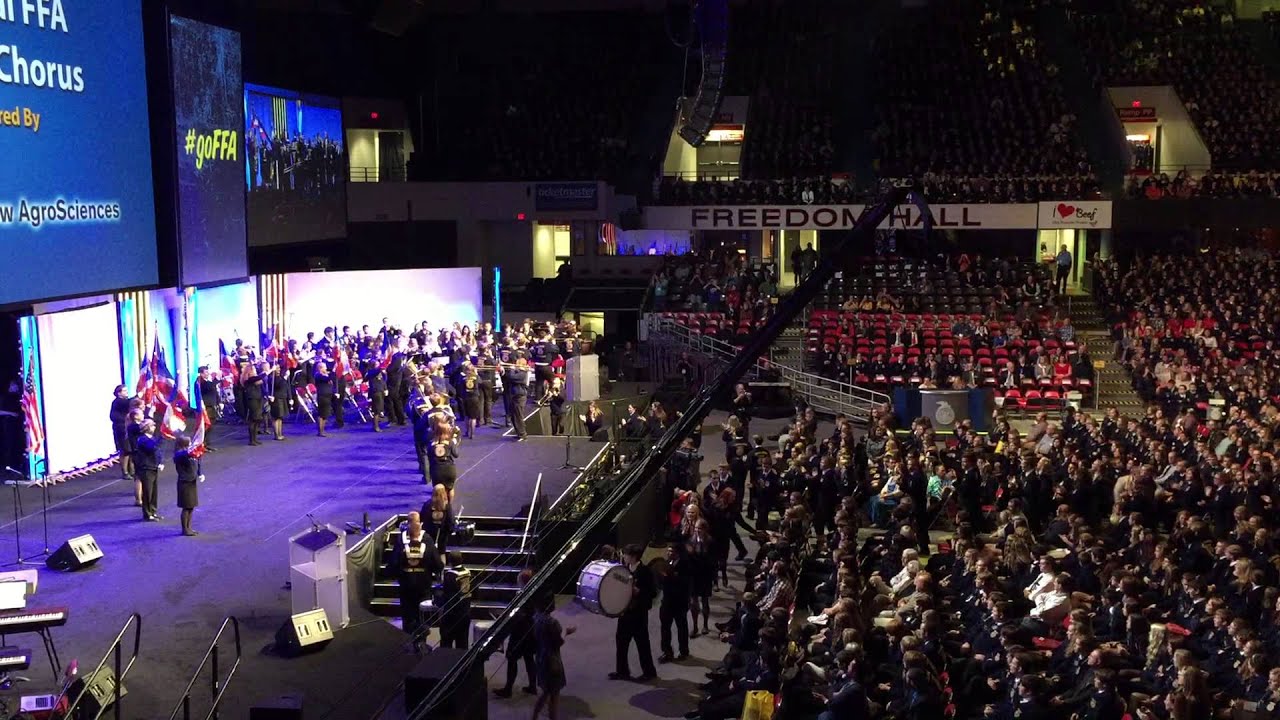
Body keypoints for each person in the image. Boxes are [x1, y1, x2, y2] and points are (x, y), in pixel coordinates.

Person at [387, 511, 442, 654]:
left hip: (406, 586)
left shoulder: (401, 540)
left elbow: (393, 563)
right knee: (421, 618)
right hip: (423, 587)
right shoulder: (428, 540)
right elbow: (438, 564)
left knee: (408, 616)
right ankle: (422, 646)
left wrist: (399, 574)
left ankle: (409, 647)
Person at [609, 544, 657, 682]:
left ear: (634, 556)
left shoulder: (645, 571)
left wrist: (639, 591)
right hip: (625, 612)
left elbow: (653, 593)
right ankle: (622, 671)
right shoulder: (624, 569)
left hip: (638, 614)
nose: (624, 557)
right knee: (621, 642)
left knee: (642, 643)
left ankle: (649, 672)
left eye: (626, 554)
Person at [494, 569, 538, 699]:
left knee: (512, 659)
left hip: (520, 632)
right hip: (531, 630)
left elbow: (515, 616)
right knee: (529, 658)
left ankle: (508, 689)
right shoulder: (535, 592)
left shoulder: (521, 596)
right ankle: (532, 686)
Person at [530, 594, 575, 720]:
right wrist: (567, 633)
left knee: (545, 692)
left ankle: (534, 716)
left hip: (540, 657)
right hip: (552, 661)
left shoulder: (536, 618)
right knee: (554, 695)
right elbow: (558, 643)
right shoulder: (552, 623)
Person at [658, 544, 691, 663]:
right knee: (665, 628)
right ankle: (667, 652)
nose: (669, 553)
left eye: (672, 551)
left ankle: (684, 651)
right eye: (668, 551)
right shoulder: (666, 564)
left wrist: (670, 577)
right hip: (667, 602)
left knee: (681, 627)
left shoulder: (684, 565)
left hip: (679, 602)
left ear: (678, 553)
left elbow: (685, 583)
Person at [437, 551, 472, 650]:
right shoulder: (468, 572)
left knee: (446, 642)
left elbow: (448, 595)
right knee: (462, 643)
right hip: (465, 612)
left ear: (450, 561)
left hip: (452, 615)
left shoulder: (450, 575)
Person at [173, 434, 202, 536]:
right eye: (189, 443)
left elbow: (197, 461)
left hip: (191, 482)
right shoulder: (180, 454)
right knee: (186, 507)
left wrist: (200, 473)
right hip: (184, 483)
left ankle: (189, 527)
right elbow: (184, 455)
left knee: (191, 507)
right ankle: (184, 529)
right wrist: (192, 450)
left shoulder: (190, 453)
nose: (191, 444)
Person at [134, 419, 163, 522]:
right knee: (147, 492)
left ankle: (153, 511)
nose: (154, 427)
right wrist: (162, 437)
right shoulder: (142, 439)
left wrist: (160, 462)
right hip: (146, 468)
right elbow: (151, 448)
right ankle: (147, 513)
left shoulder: (152, 438)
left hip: (154, 467)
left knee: (154, 492)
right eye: (152, 426)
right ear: (146, 427)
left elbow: (158, 452)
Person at [421, 483, 454, 555]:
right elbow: (450, 522)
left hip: (428, 534)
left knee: (428, 552)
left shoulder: (427, 505)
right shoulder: (447, 507)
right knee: (442, 553)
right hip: (442, 536)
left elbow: (422, 518)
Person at [429, 425, 459, 502]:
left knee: (438, 490)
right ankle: (448, 507)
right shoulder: (450, 442)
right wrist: (455, 443)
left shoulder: (430, 443)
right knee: (450, 489)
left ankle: (439, 506)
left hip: (436, 470)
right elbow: (456, 455)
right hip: (449, 469)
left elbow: (429, 457)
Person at [503, 358, 531, 441]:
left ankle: (523, 434)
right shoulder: (518, 372)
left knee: (518, 416)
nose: (515, 365)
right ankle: (518, 433)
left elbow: (512, 377)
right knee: (513, 416)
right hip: (515, 396)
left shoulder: (523, 373)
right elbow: (509, 378)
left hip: (520, 396)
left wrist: (511, 370)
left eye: (517, 363)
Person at [109, 385, 132, 480]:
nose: (127, 392)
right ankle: (125, 471)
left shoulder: (121, 402)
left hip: (126, 428)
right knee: (125, 451)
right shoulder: (118, 402)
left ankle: (130, 470)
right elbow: (128, 404)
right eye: (125, 391)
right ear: (119, 393)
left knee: (129, 450)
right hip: (121, 430)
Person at [196, 367, 220, 451]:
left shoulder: (208, 382)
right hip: (206, 407)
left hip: (211, 405)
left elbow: (214, 390)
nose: (208, 373)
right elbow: (209, 387)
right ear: (201, 373)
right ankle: (202, 444)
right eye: (206, 372)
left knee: (211, 425)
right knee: (206, 425)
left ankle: (206, 443)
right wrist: (216, 379)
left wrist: (218, 402)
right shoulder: (200, 382)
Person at [264, 362, 288, 441]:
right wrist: (285, 378)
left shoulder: (279, 377)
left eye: (279, 368)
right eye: (277, 368)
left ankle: (280, 433)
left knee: (280, 417)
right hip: (276, 398)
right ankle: (276, 435)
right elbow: (278, 385)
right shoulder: (272, 378)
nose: (279, 370)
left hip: (282, 398)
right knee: (276, 417)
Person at [242, 362, 265, 446]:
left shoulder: (254, 379)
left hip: (257, 399)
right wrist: (267, 371)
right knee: (253, 419)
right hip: (252, 400)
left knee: (257, 419)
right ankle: (251, 440)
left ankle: (255, 438)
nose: (255, 371)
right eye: (254, 370)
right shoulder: (248, 379)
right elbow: (260, 377)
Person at [458, 363, 482, 439]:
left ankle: (467, 432)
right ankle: (472, 434)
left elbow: (459, 387)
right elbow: (481, 382)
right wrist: (476, 373)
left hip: (466, 398)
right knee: (473, 417)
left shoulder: (462, 377)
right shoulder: (476, 377)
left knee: (467, 416)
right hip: (474, 398)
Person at [366, 356, 387, 432]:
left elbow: (383, 380)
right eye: (376, 364)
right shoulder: (371, 372)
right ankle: (376, 426)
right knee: (376, 410)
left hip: (381, 391)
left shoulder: (380, 372)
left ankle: (376, 424)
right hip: (375, 392)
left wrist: (385, 388)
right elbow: (376, 372)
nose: (378, 365)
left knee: (380, 409)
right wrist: (381, 367)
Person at [313, 361, 334, 437]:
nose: (326, 368)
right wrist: (333, 370)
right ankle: (320, 431)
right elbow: (327, 379)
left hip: (327, 396)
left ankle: (322, 430)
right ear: (320, 368)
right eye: (324, 367)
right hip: (322, 396)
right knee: (322, 413)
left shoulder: (325, 375)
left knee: (325, 414)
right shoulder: (318, 375)